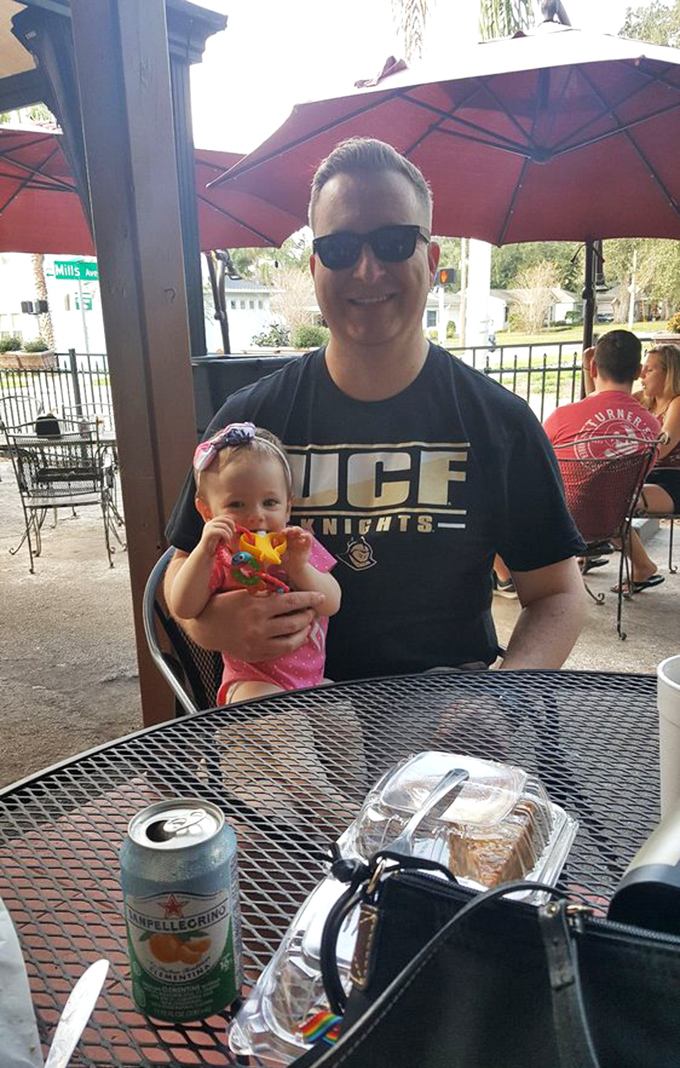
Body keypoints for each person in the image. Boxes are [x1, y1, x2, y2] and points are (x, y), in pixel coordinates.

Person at [165, 138, 585, 678]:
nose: (366, 270)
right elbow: (181, 572)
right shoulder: (247, 423)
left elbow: (557, 594)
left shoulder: (498, 421)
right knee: (262, 761)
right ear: (316, 267)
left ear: (431, 260)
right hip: (287, 703)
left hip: (447, 707)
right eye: (340, 249)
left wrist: (500, 697)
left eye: (393, 242)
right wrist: (211, 626)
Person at [167, 422, 341, 705]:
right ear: (207, 511)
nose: (256, 516)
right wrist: (202, 551)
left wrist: (299, 568)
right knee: (283, 729)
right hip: (252, 683)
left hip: (312, 681)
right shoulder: (220, 557)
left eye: (270, 502)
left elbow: (332, 602)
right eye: (237, 505)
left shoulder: (298, 546)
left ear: (288, 507)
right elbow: (183, 606)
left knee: (343, 722)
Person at [543, 329, 663, 590]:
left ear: (593, 368)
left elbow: (533, 464)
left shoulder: (562, 417)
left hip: (558, 523)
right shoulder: (651, 428)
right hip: (611, 521)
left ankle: (506, 578)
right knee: (609, 493)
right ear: (637, 372)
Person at [638, 343, 680, 517]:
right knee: (603, 499)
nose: (641, 375)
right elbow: (602, 403)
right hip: (645, 479)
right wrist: (590, 369)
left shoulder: (677, 403)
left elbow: (660, 449)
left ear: (668, 374)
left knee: (619, 502)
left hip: (671, 482)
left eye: (649, 370)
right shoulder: (645, 400)